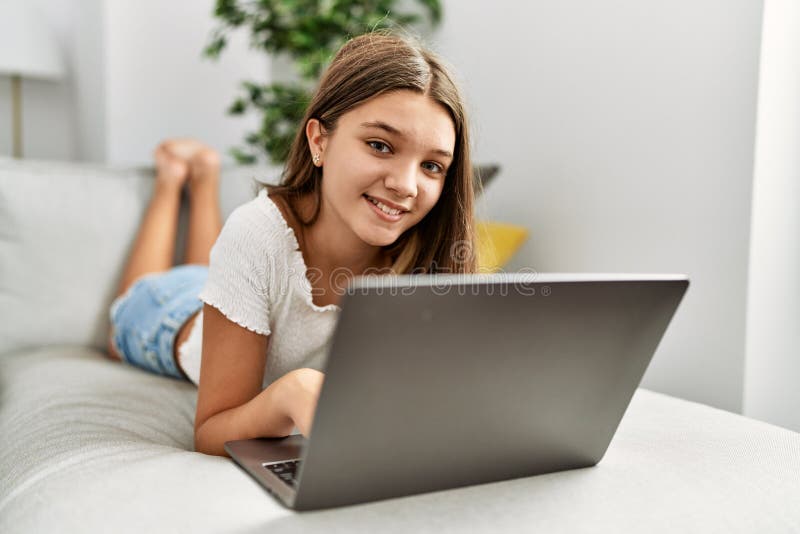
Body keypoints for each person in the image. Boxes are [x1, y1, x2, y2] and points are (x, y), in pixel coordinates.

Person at [107, 32, 478, 457]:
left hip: (234, 295)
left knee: (207, 276)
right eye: (380, 145)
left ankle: (204, 178)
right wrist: (289, 394)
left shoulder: (428, 255)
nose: (405, 185)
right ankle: (175, 182)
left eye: (431, 166)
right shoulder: (256, 233)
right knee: (134, 305)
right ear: (319, 140)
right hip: (172, 320)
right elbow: (210, 430)